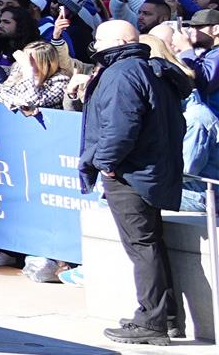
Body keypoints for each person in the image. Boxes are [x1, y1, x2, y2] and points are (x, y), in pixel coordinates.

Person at [83, 19, 193, 345]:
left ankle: (152, 320)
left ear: (117, 41)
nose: (95, 45)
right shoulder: (147, 69)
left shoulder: (122, 73)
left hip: (131, 174)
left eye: (99, 39)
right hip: (148, 171)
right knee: (149, 244)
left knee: (142, 247)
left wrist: (106, 164)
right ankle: (164, 315)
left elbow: (121, 126)